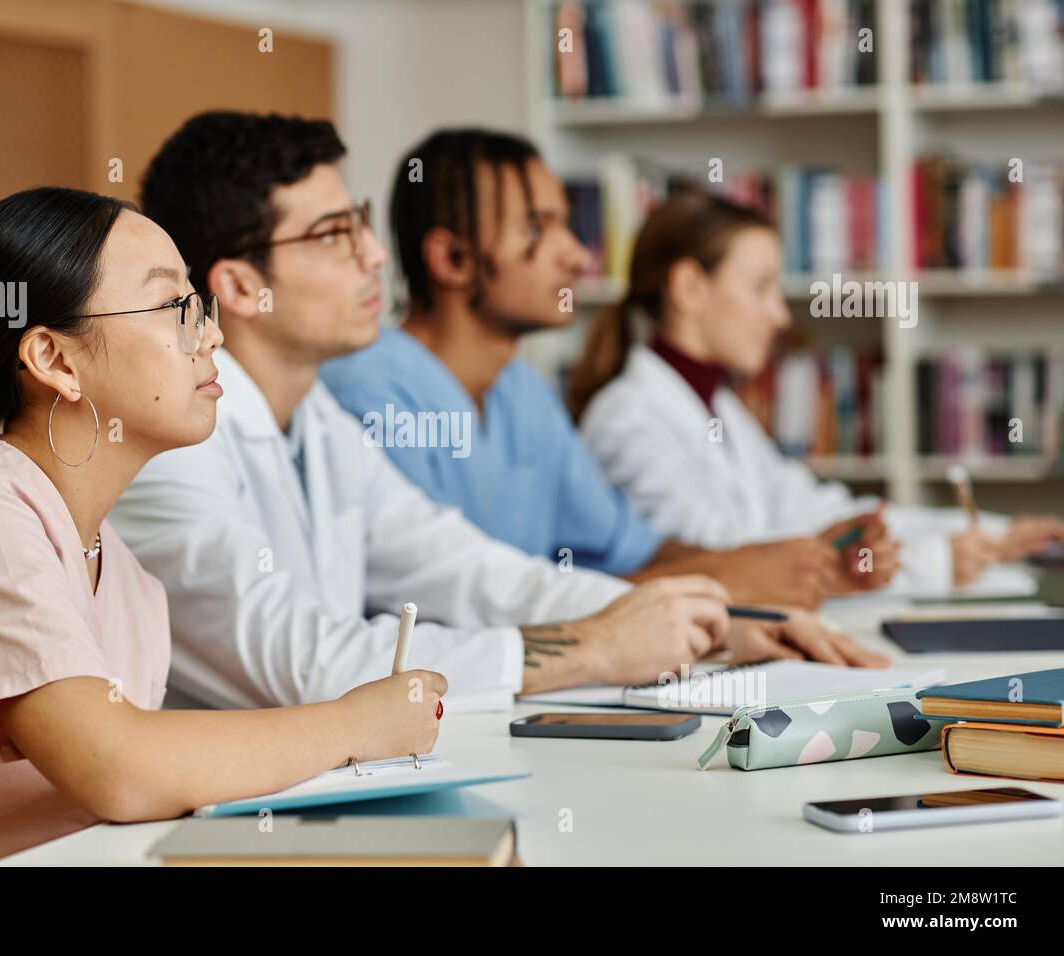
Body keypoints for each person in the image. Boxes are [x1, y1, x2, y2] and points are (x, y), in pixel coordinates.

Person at [111, 112, 885, 719]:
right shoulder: (169, 447)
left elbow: (471, 571)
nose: (377, 256)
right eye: (334, 235)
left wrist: (709, 625)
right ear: (242, 287)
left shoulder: (316, 421)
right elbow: (307, 664)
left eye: (364, 223)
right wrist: (591, 648)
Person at [0, 187, 444, 867]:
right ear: (55, 361)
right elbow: (120, 769)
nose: (210, 334)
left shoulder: (106, 553)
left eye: (199, 306)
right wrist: (357, 724)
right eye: (172, 307)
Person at [320, 128, 897, 609]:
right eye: (538, 228)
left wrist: (788, 565)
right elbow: (460, 608)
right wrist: (724, 580)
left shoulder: (523, 392)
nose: (577, 253)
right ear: (451, 258)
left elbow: (634, 552)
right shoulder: (368, 393)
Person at [569, 188, 1064, 591]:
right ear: (689, 288)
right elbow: (728, 561)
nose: (779, 316)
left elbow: (814, 511)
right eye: (761, 287)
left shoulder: (716, 406)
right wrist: (931, 561)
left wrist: (987, 534)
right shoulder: (626, 420)